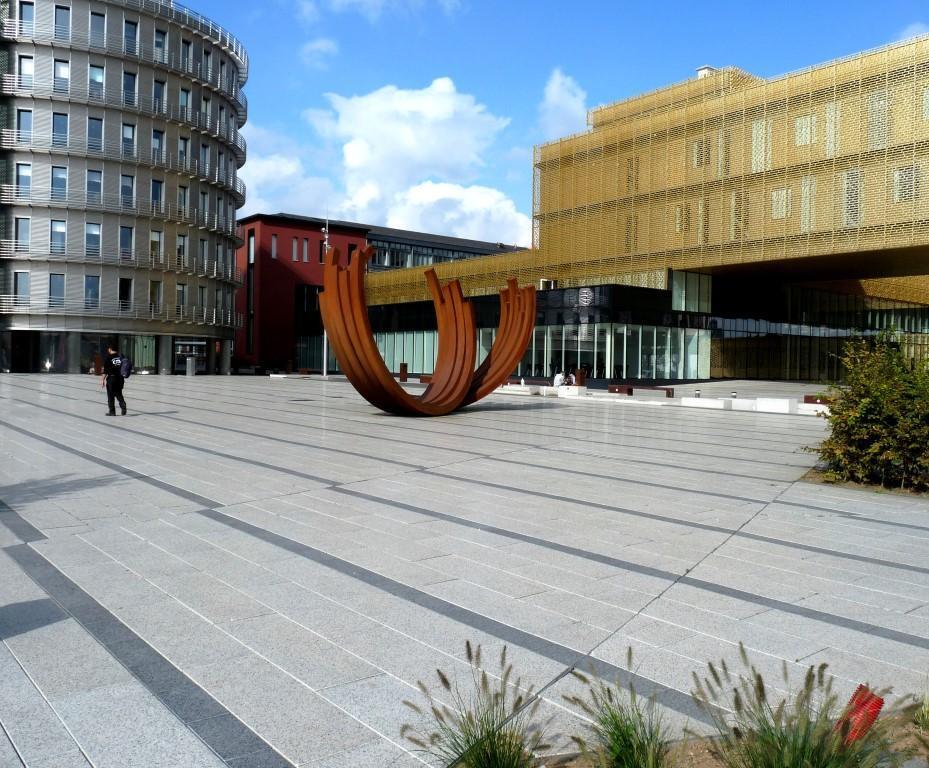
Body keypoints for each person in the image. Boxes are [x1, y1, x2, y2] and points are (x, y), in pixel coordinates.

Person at [101, 345, 128, 416]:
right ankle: (122, 404)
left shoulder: (108, 358)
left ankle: (112, 412)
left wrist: (102, 380)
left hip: (112, 378)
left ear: (110, 349)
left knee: (110, 395)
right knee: (118, 393)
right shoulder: (121, 357)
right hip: (120, 378)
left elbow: (105, 371)